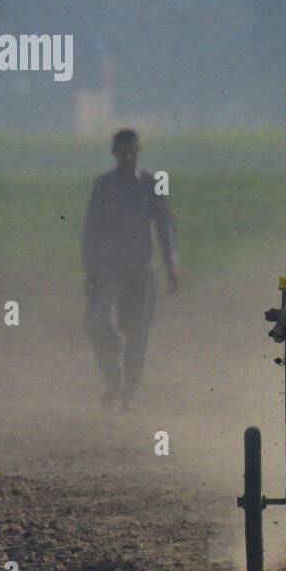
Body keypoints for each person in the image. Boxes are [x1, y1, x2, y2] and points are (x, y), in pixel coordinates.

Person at [82, 129, 179, 409]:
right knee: (98, 325)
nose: (127, 157)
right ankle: (112, 379)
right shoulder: (103, 186)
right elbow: (91, 229)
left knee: (138, 334)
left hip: (140, 270)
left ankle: (130, 392)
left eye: (132, 151)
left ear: (139, 151)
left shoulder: (151, 184)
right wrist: (90, 268)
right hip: (108, 270)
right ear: (114, 153)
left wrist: (171, 262)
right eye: (122, 152)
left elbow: (164, 224)